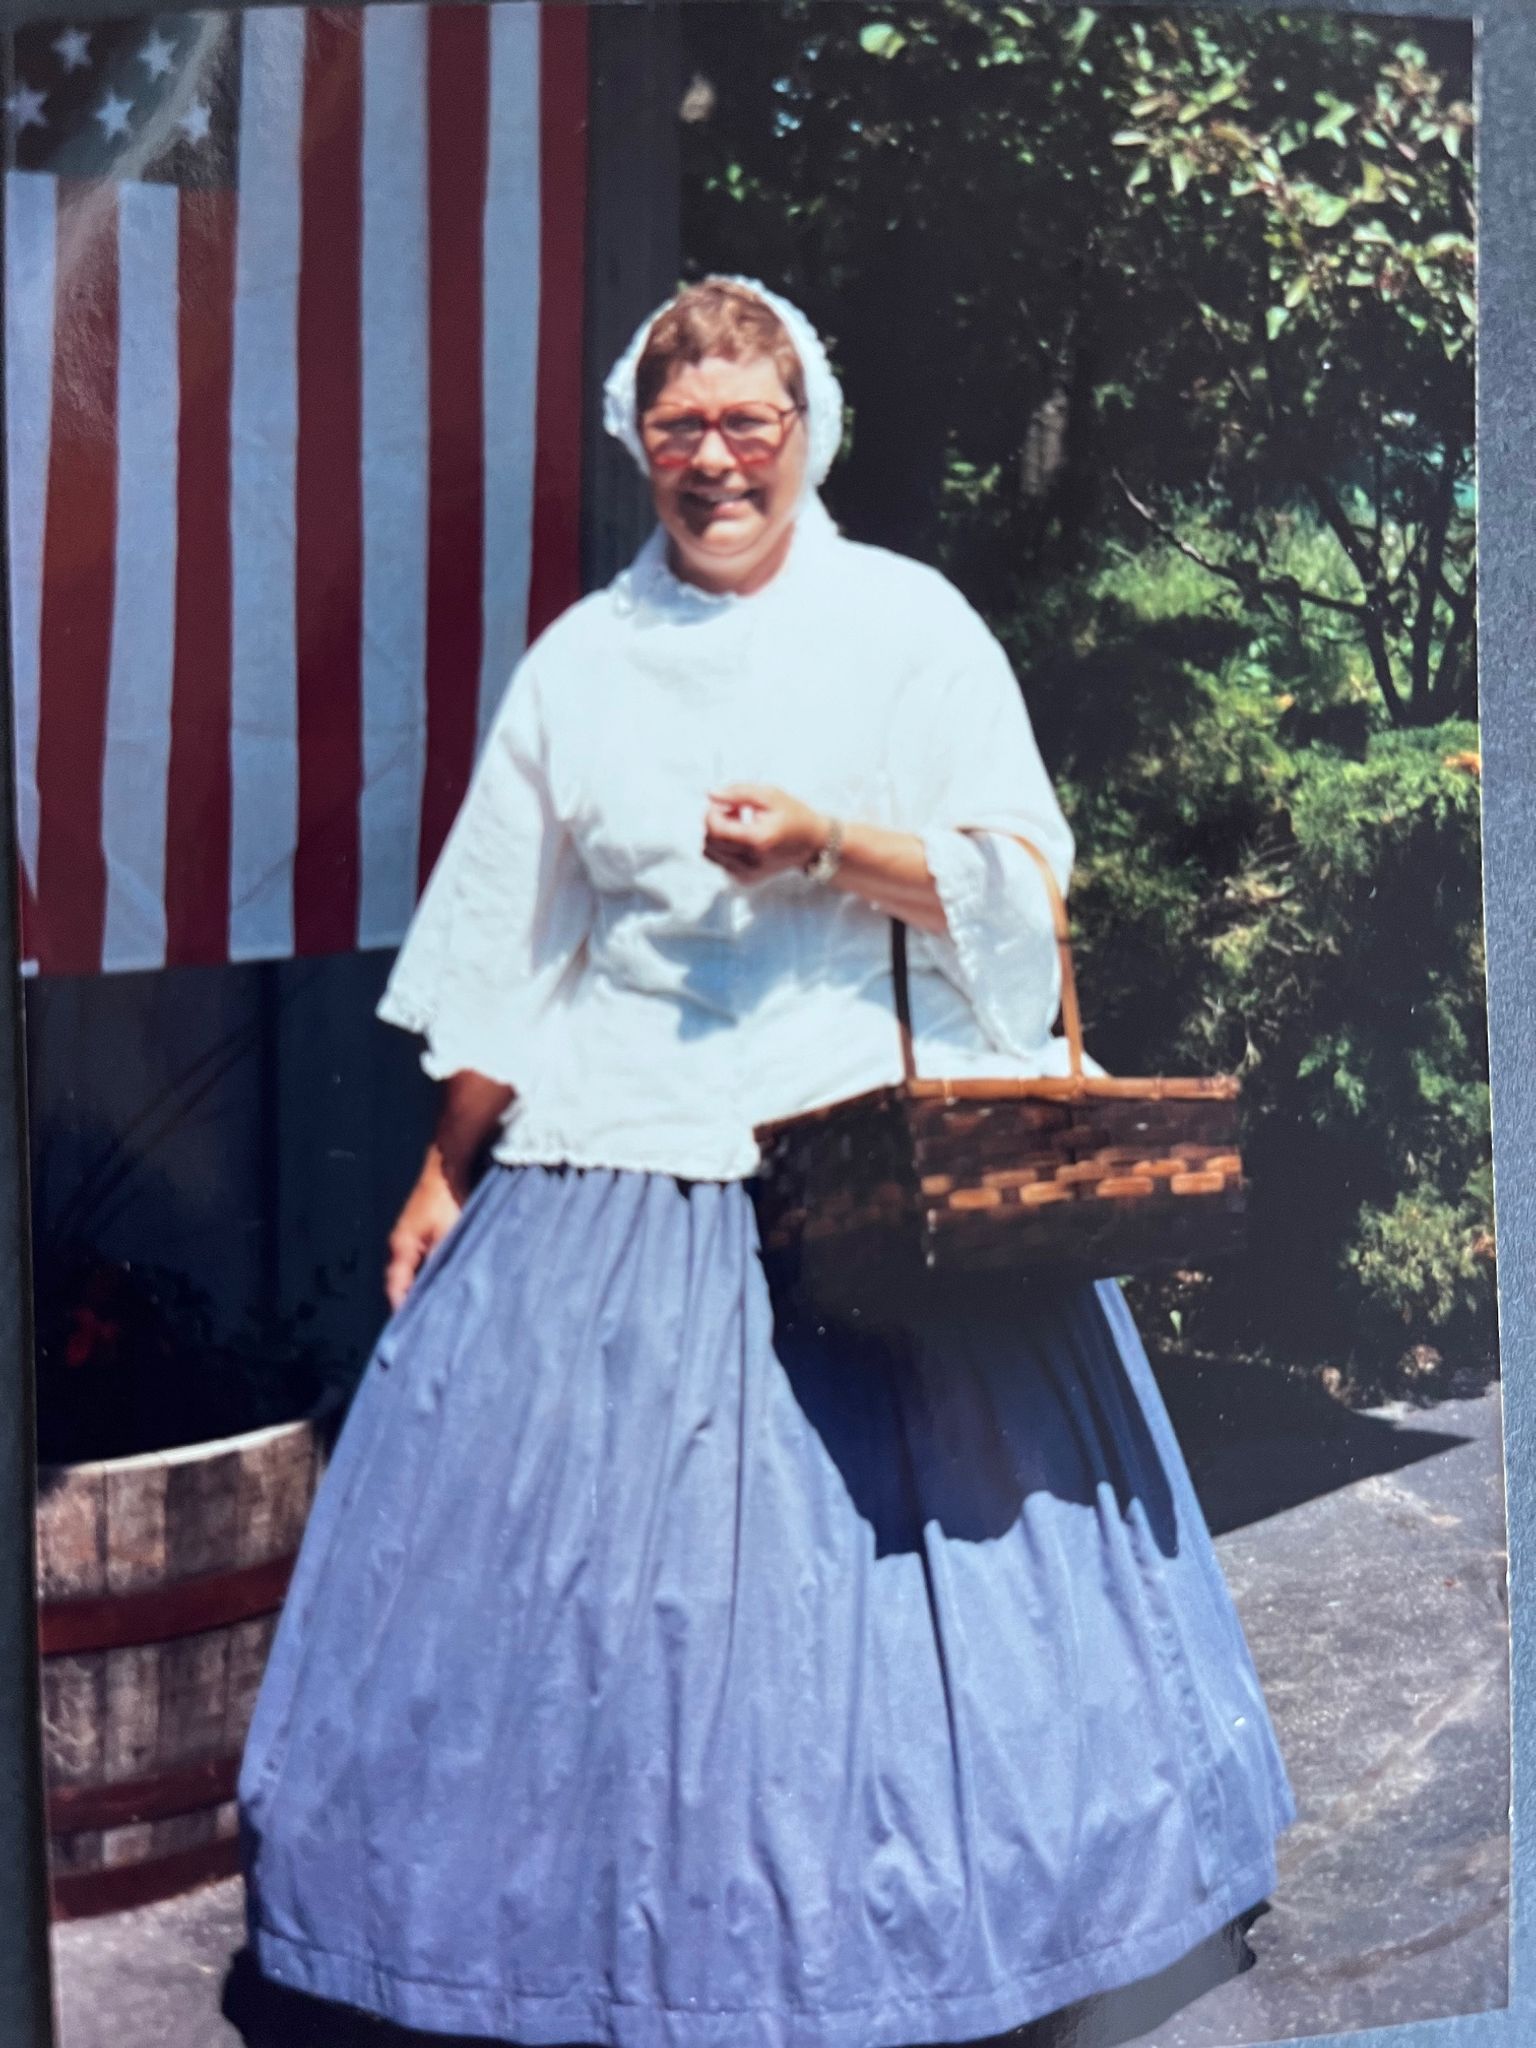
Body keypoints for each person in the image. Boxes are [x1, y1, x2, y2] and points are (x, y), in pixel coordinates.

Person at [236, 278, 1295, 2048]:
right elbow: (517, 950)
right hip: (616, 1168)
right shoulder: (582, 666)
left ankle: (962, 1938)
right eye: (681, 429)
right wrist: (442, 1170)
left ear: (808, 427)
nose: (715, 460)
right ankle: (582, 1955)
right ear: (636, 444)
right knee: (598, 1612)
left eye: (748, 422)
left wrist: (826, 845)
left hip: (873, 1181)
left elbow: (1021, 887)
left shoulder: (907, 624)